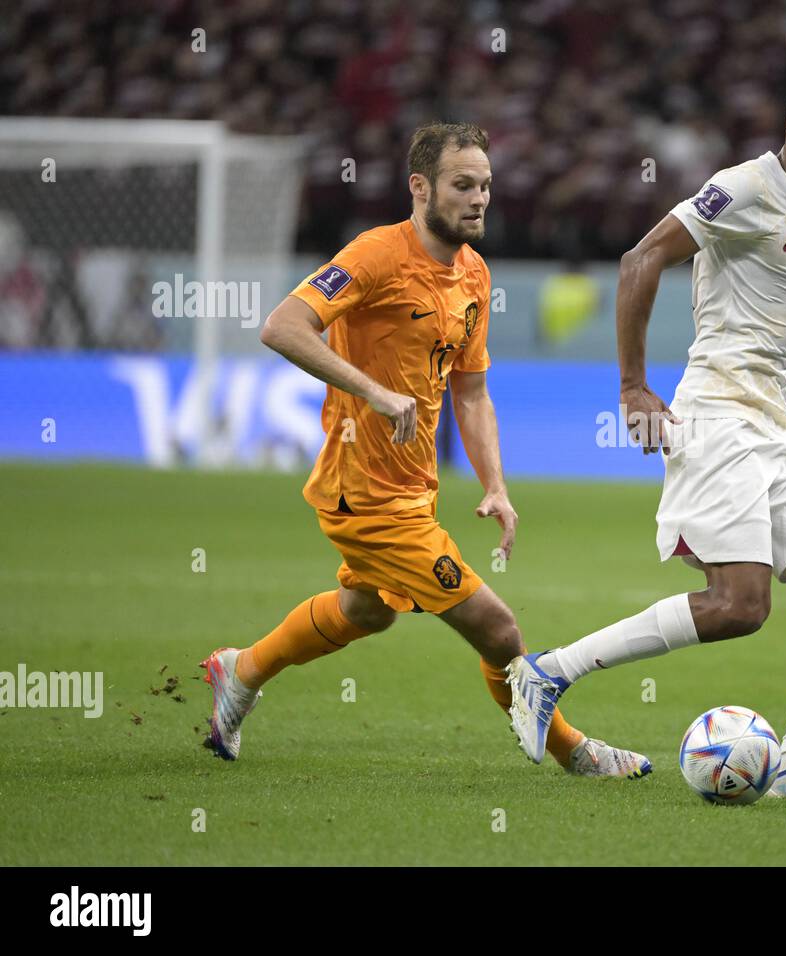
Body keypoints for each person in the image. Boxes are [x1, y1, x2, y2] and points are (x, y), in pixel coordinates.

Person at [200, 122, 649, 779]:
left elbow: (471, 392)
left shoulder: (473, 273)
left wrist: (494, 483)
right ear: (420, 187)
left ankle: (241, 671)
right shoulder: (377, 255)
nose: (479, 199)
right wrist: (373, 392)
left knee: (366, 610)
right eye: (463, 185)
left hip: (415, 486)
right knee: (498, 631)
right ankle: (576, 753)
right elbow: (282, 327)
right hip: (364, 489)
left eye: (487, 186)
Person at [507, 72, 786, 803]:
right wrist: (630, 386)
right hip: (716, 420)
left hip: (770, 422)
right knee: (739, 606)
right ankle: (547, 672)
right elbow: (640, 260)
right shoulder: (744, 188)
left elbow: (758, 333)